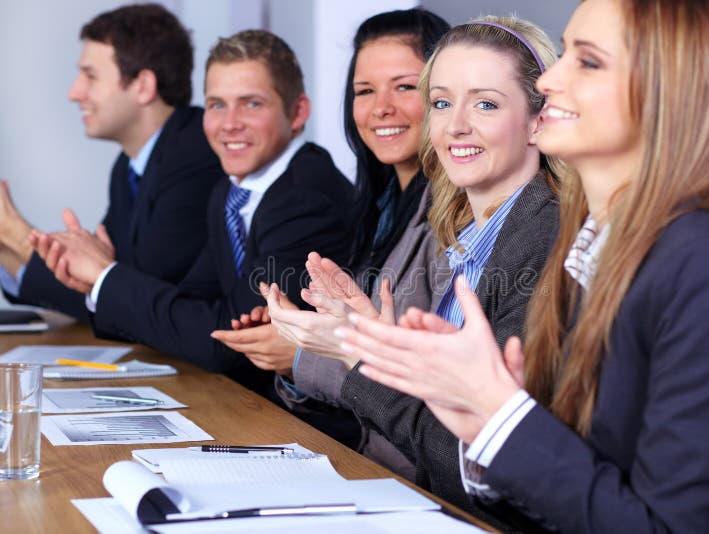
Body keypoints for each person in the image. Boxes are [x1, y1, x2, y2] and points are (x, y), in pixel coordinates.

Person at [338, 0, 709, 532]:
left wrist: (500, 416)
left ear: (669, 95)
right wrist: (486, 424)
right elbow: (581, 482)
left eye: (588, 61)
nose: (551, 79)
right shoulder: (593, 245)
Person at [258, 17, 562, 527]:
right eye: (442, 103)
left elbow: (470, 464)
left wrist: (362, 355)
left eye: (485, 103)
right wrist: (375, 335)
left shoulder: (547, 243)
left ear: (538, 120)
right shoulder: (462, 238)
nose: (455, 125)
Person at [29, 30, 355, 405]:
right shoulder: (228, 193)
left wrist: (105, 275)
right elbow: (192, 304)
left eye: (251, 104)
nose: (229, 123)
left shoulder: (306, 200)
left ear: (297, 112)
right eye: (216, 105)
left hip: (311, 423)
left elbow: (224, 343)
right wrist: (97, 282)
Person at [210, 9, 451, 455]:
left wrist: (305, 355)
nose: (381, 108)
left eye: (404, 86)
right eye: (364, 91)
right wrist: (300, 333)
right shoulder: (377, 205)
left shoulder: (453, 217)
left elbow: (423, 382)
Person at [0, 3, 224, 322]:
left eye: (90, 76)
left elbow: (125, 296)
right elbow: (99, 287)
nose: (74, 93)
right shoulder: (128, 167)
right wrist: (4, 244)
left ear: (143, 86)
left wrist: (12, 232)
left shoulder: (197, 155)